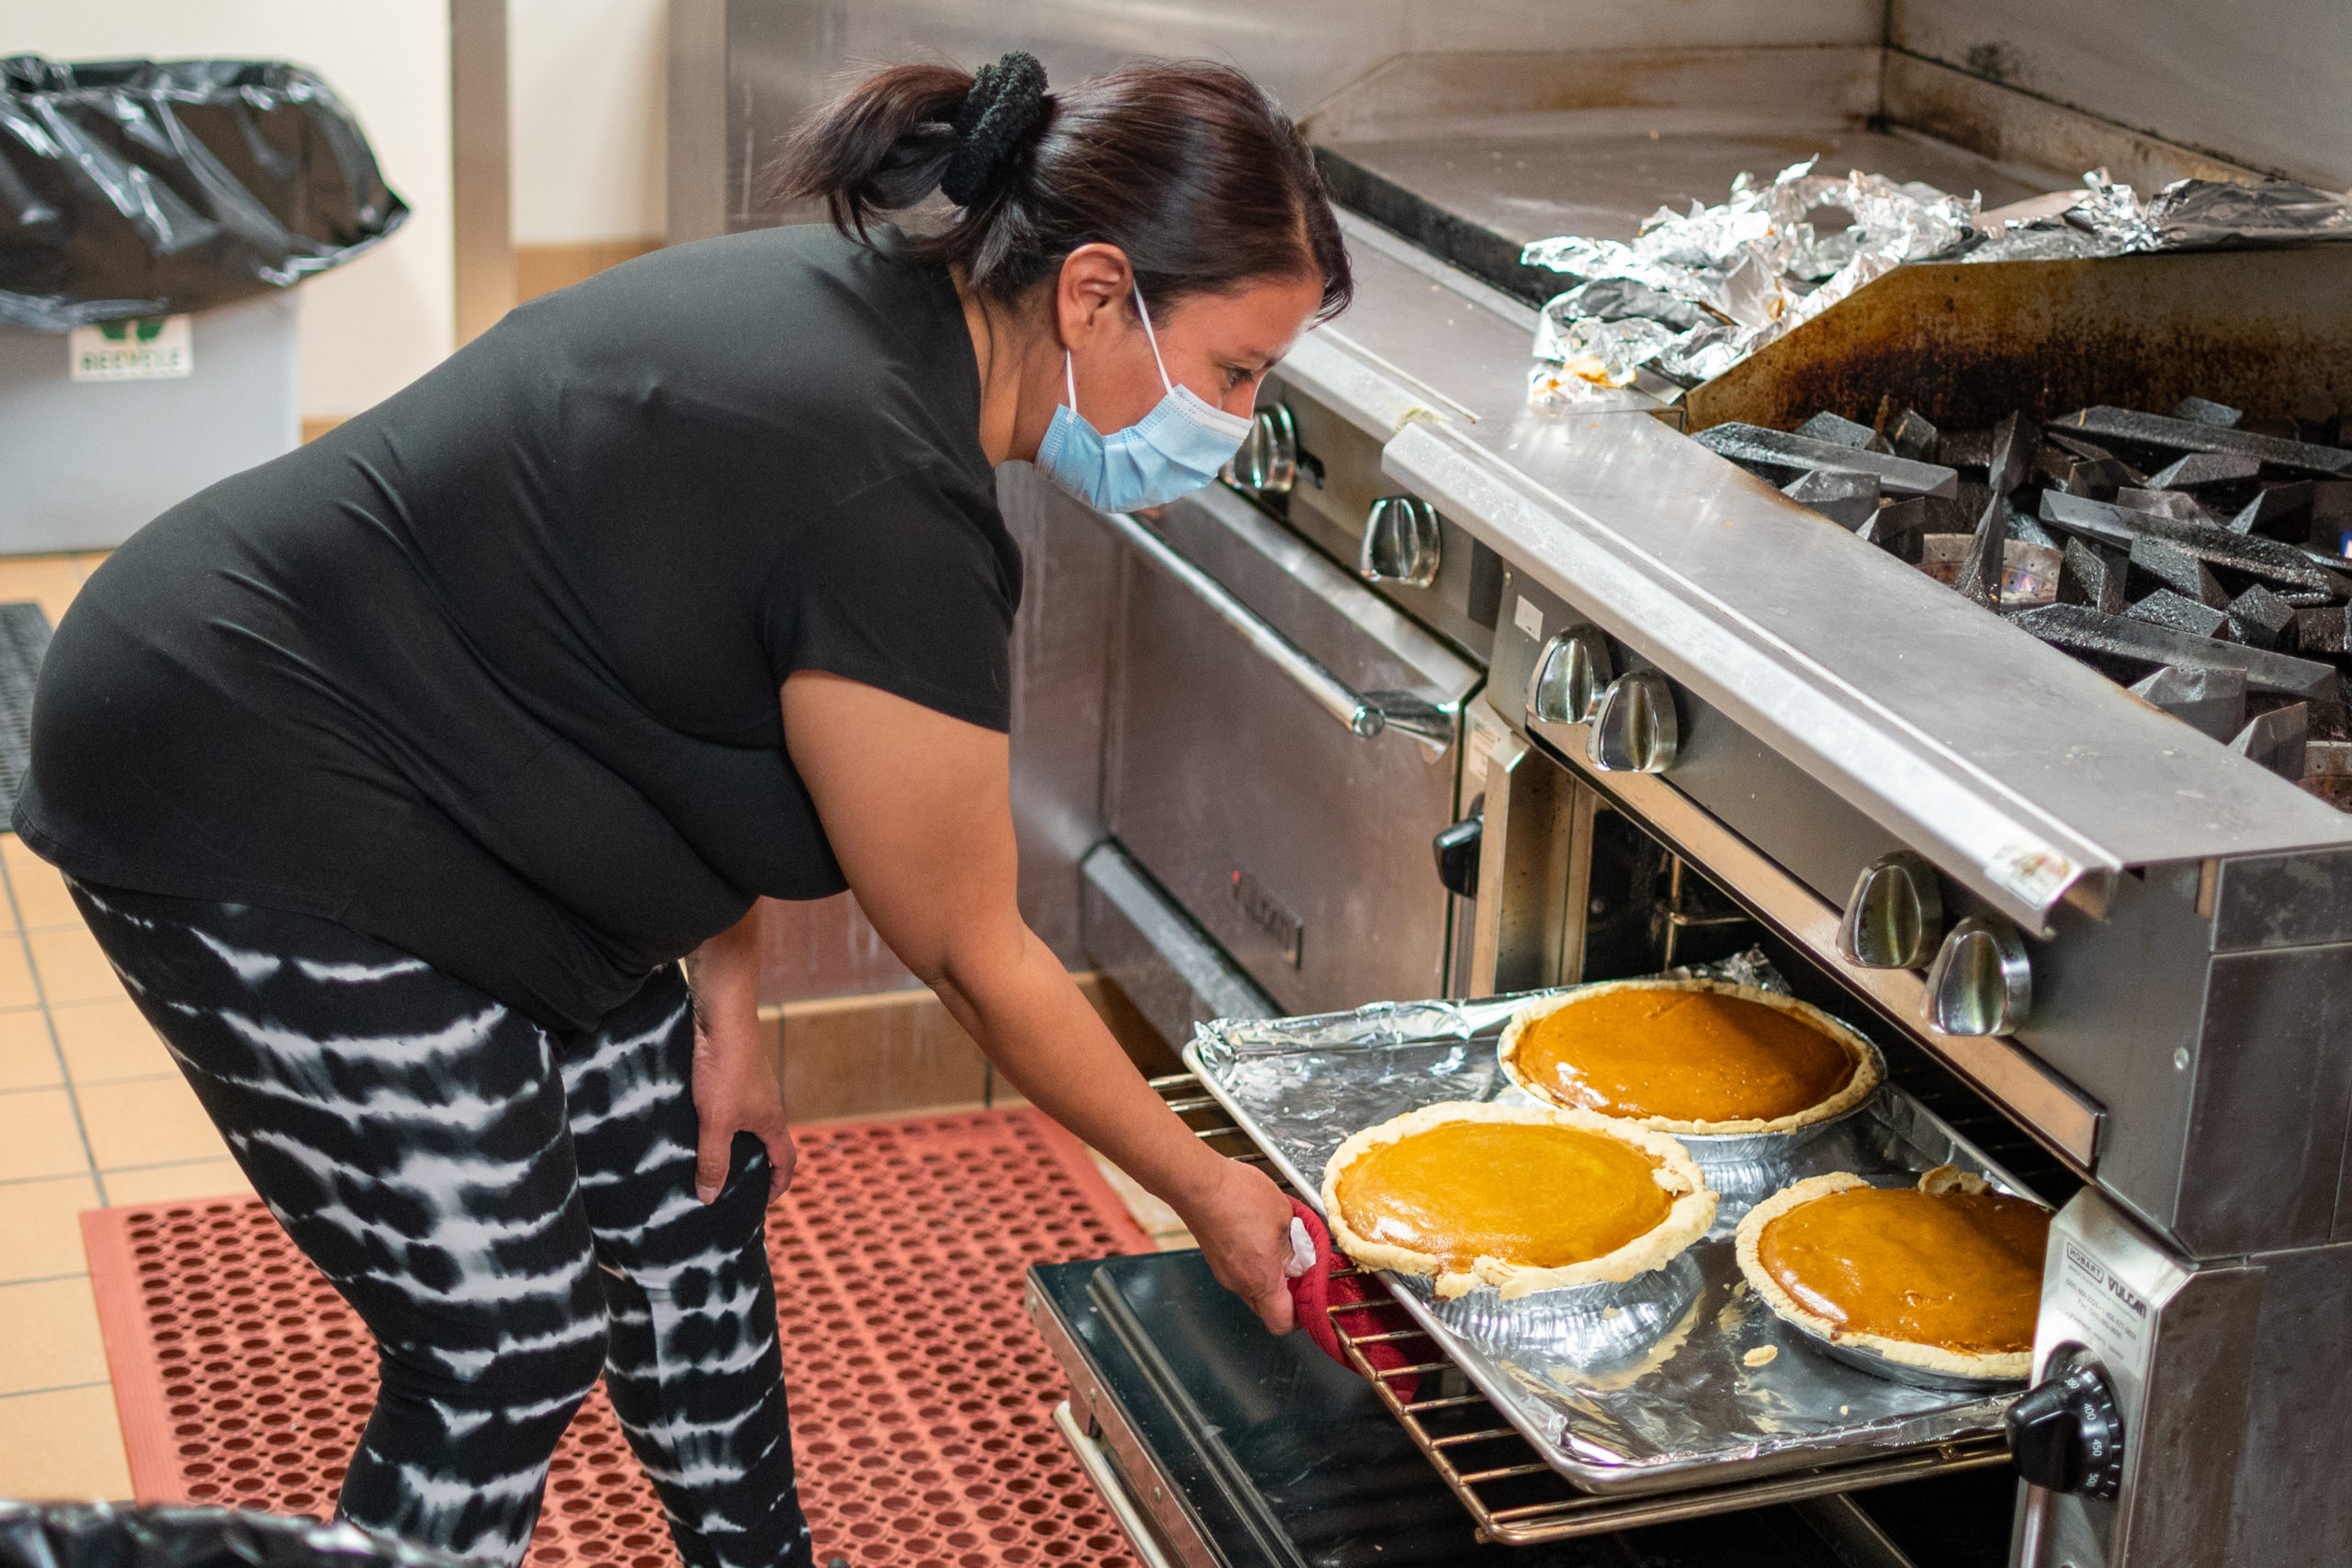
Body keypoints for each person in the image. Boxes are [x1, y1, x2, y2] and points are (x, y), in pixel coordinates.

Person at [17, 51, 1350, 1568]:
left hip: (438, 751)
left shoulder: (876, 315)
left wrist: (730, 991)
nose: (1234, 423)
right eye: (1237, 372)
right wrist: (1204, 1185)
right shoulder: (891, 508)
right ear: (1099, 296)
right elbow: (979, 958)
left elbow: (694, 670)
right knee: (504, 1342)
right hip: (233, 764)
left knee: (693, 1206)